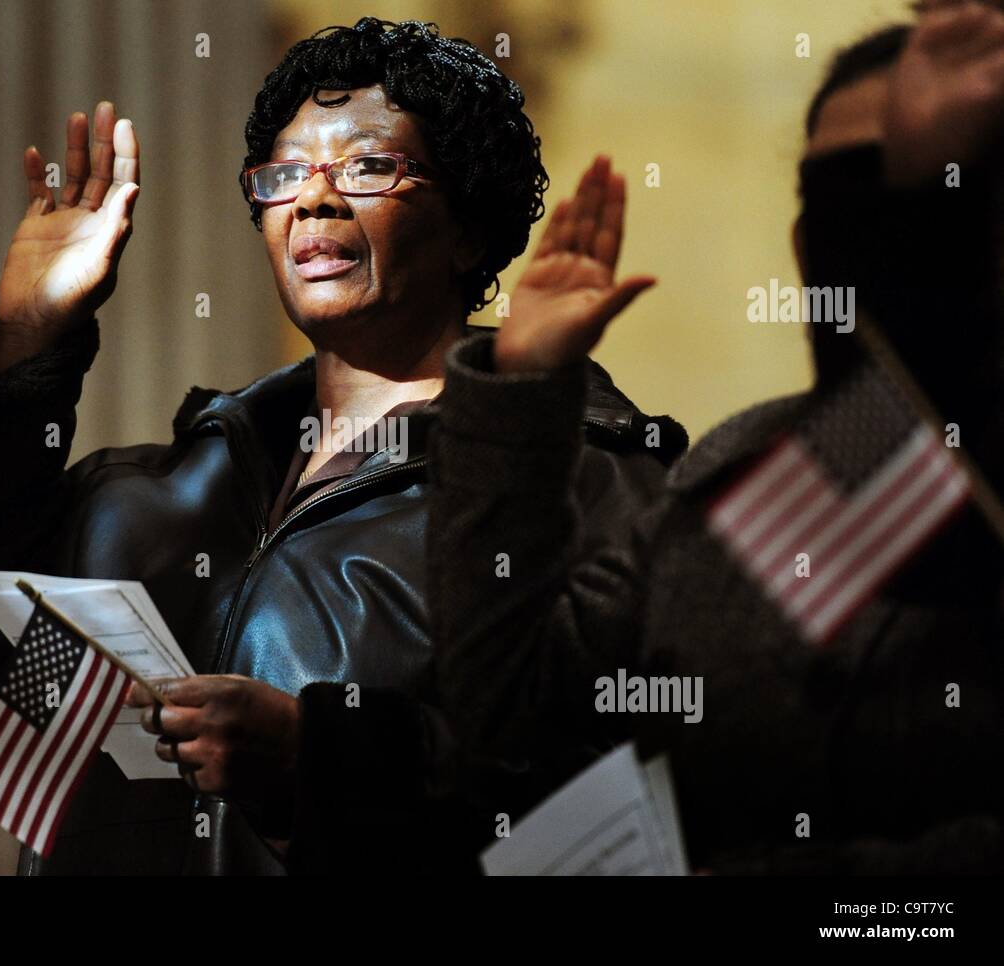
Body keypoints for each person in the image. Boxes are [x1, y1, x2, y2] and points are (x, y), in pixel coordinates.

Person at [0, 16, 683, 874]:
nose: (315, 198)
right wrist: (25, 334)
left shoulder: (585, 482)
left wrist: (319, 765)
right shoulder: (156, 491)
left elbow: (595, 797)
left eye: (370, 166)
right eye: (288, 172)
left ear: (468, 229)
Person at [429, 2, 1004, 874]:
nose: (863, 244)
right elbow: (512, 716)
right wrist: (523, 387)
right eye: (834, 200)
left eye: (895, 192)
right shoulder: (748, 466)